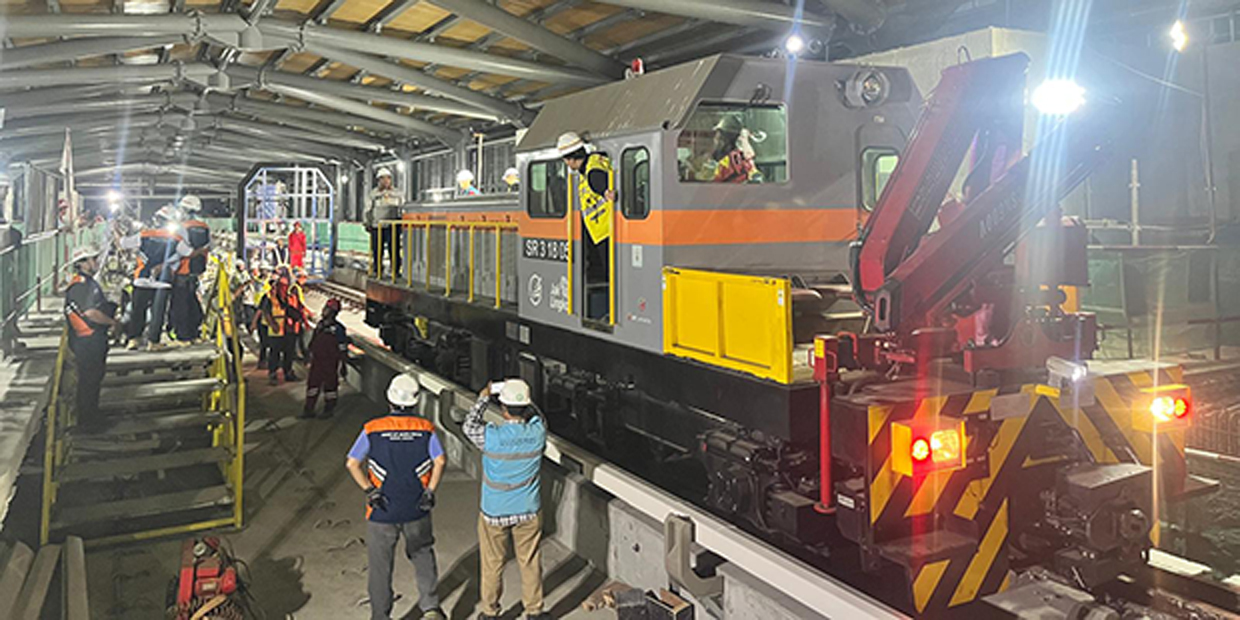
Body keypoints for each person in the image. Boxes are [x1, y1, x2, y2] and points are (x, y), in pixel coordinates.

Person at [345, 374, 447, 620]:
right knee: (422, 554)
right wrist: (430, 491)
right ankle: (431, 609)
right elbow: (440, 460)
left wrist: (370, 490)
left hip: (382, 510)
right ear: (415, 402)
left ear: (389, 399)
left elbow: (352, 463)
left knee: (380, 566)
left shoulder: (372, 429)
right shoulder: (425, 428)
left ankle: (381, 615)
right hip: (416, 507)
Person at [464, 379, 550, 620]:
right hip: (528, 511)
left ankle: (490, 613)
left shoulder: (490, 436)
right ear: (526, 405)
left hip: (494, 512)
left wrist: (484, 396)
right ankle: (534, 611)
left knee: (492, 564)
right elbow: (539, 416)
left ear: (502, 408)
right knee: (530, 562)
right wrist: (526, 400)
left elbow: (469, 425)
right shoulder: (537, 432)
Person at [557, 131, 614, 320]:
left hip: (607, 233)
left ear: (571, 159)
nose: (566, 164)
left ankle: (612, 311)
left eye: (565, 159)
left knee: (611, 275)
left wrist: (607, 192)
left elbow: (601, 184)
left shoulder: (592, 173)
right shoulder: (594, 163)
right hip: (603, 233)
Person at [64, 245, 120, 432]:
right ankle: (88, 421)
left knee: (93, 379)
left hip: (88, 339)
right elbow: (90, 312)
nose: (95, 262)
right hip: (88, 340)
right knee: (89, 380)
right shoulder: (81, 285)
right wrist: (112, 322)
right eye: (92, 259)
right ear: (82, 263)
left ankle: (92, 415)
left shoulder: (84, 283)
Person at [122, 206, 189, 350]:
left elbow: (124, 243)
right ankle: (153, 342)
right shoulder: (176, 238)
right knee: (158, 312)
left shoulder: (144, 234)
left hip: (142, 278)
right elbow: (187, 252)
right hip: (162, 280)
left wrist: (116, 232)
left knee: (137, 310)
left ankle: (134, 339)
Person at [171, 195, 210, 344]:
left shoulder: (182, 227)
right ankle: (194, 332)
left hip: (182, 270)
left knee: (180, 304)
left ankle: (183, 335)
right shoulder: (205, 227)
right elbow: (206, 248)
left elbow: (179, 249)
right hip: (197, 269)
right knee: (192, 301)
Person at [303, 298, 349, 419]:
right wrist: (308, 354)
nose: (323, 311)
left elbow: (343, 348)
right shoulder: (321, 325)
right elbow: (313, 341)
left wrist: (343, 365)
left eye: (326, 309)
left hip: (330, 362)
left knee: (330, 387)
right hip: (317, 361)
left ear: (333, 312)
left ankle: (328, 410)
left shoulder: (338, 329)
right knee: (312, 385)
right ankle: (308, 409)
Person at [254, 274, 300, 385]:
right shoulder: (270, 298)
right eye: (281, 285)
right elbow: (266, 312)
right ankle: (273, 373)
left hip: (289, 330)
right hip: (276, 331)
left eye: (285, 285)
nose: (284, 288)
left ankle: (288, 372)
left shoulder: (289, 297)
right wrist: (272, 324)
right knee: (275, 353)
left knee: (289, 353)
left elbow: (294, 311)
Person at [368, 168, 403, 277]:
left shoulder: (397, 193)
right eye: (383, 179)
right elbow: (368, 209)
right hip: (377, 226)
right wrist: (367, 223)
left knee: (394, 250)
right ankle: (378, 270)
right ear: (378, 180)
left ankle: (396, 271)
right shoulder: (373, 195)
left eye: (388, 178)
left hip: (393, 226)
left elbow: (402, 208)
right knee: (377, 251)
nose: (386, 181)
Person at [710, 114, 761, 183]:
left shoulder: (732, 161)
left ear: (726, 140)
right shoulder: (723, 160)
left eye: (718, 138)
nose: (715, 141)